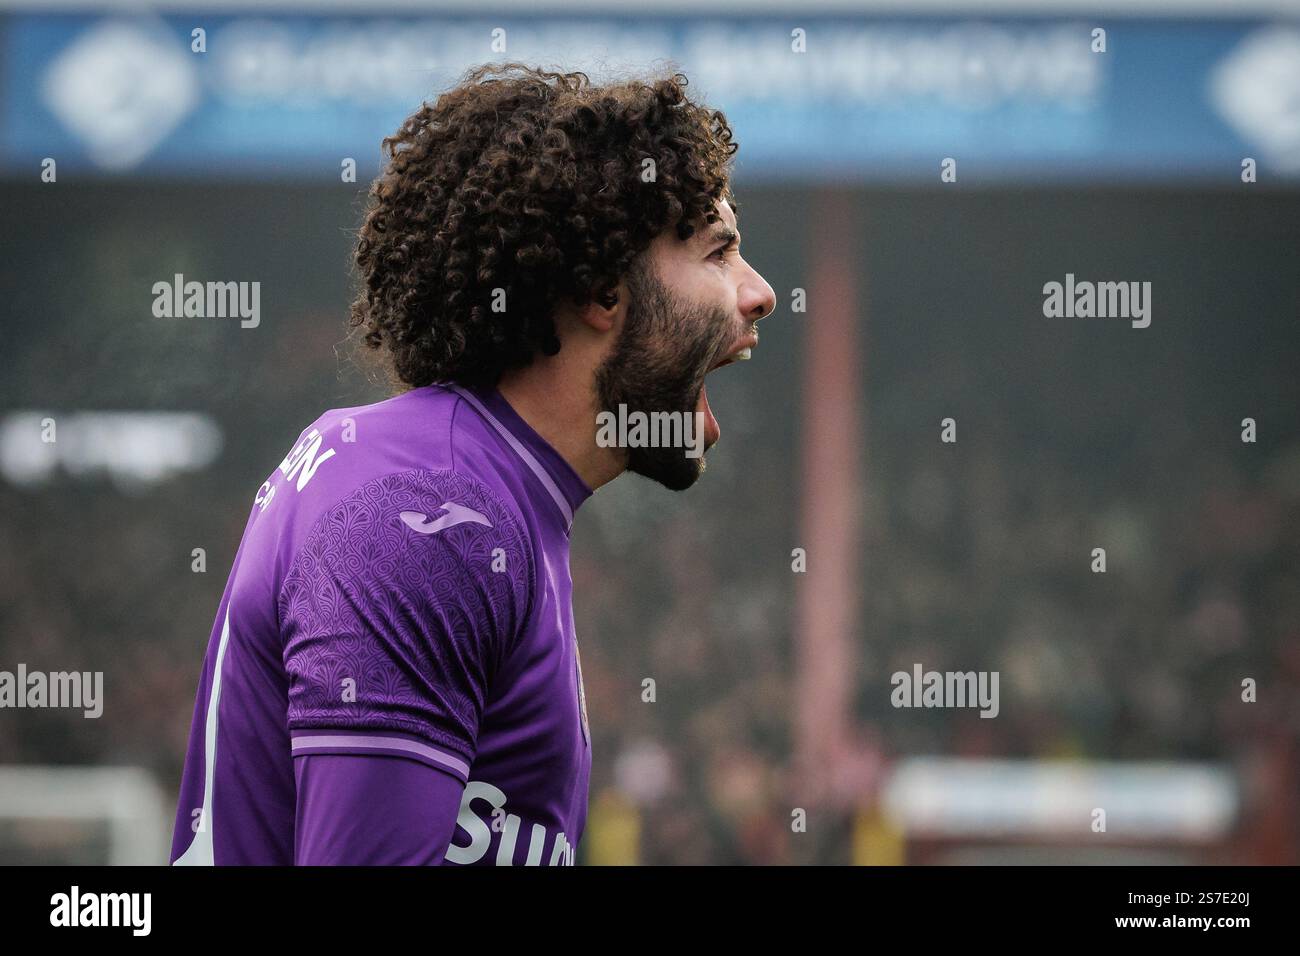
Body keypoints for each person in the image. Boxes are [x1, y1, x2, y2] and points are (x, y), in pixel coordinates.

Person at [170, 62, 776, 865]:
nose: (760, 291)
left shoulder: (488, 494)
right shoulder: (422, 515)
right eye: (719, 251)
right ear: (602, 290)